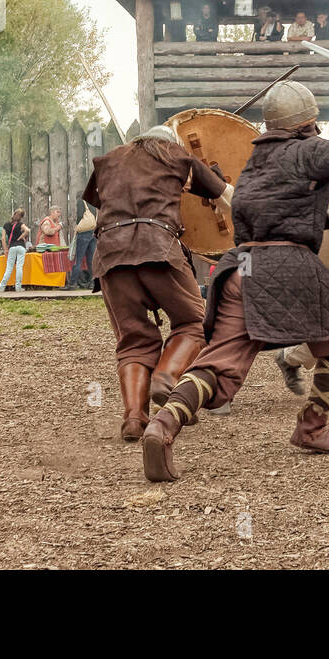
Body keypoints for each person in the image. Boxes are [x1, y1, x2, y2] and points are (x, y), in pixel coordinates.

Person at [141, 74, 329, 481]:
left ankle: (162, 426)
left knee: (218, 365)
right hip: (288, 268)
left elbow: (273, 213)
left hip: (240, 268)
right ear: (307, 123)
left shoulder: (255, 162)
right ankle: (312, 427)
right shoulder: (308, 151)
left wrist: (323, 219)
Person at [82, 122, 233, 442]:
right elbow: (226, 196)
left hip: (110, 255)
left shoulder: (109, 161)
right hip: (158, 249)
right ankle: (165, 379)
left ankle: (134, 418)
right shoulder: (176, 156)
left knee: (133, 340)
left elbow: (105, 204)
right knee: (192, 322)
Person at [0, 210, 31, 292]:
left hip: (12, 247)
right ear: (21, 217)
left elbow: (3, 239)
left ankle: (2, 286)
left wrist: (5, 249)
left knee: (9, 267)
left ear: (13, 214)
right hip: (21, 247)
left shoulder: (6, 225)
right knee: (19, 267)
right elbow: (27, 230)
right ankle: (18, 287)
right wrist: (21, 237)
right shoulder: (21, 224)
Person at [70, 199, 97, 290]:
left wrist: (78, 226)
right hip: (92, 233)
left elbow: (79, 216)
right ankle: (92, 283)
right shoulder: (93, 203)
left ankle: (72, 283)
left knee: (78, 259)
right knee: (91, 260)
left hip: (83, 234)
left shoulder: (81, 202)